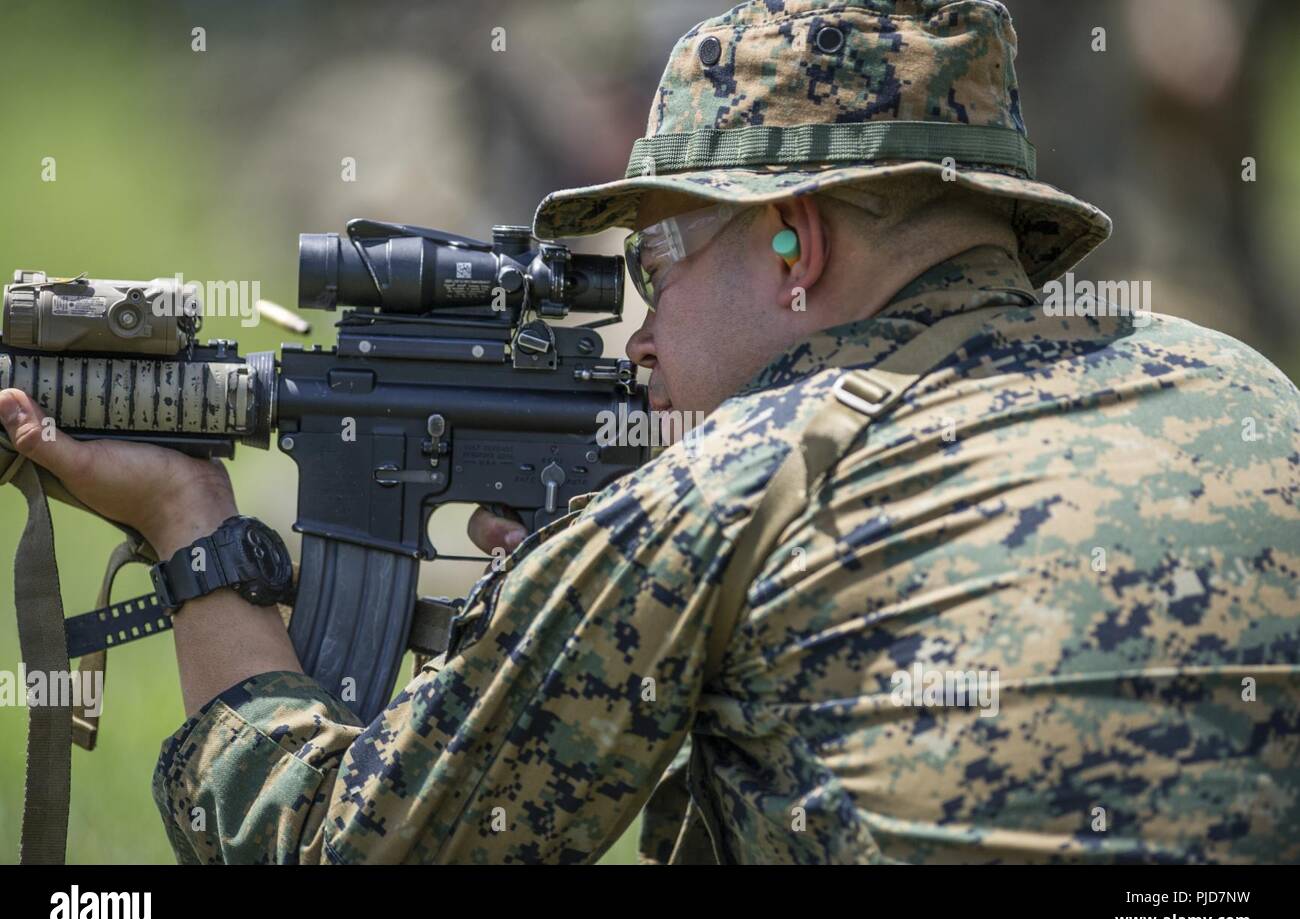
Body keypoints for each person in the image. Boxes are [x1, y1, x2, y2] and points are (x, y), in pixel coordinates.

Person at [3, 0, 1298, 864]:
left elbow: (336, 847)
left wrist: (193, 531)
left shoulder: (733, 483)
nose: (634, 328)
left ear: (799, 243)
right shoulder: (1253, 396)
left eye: (662, 254)